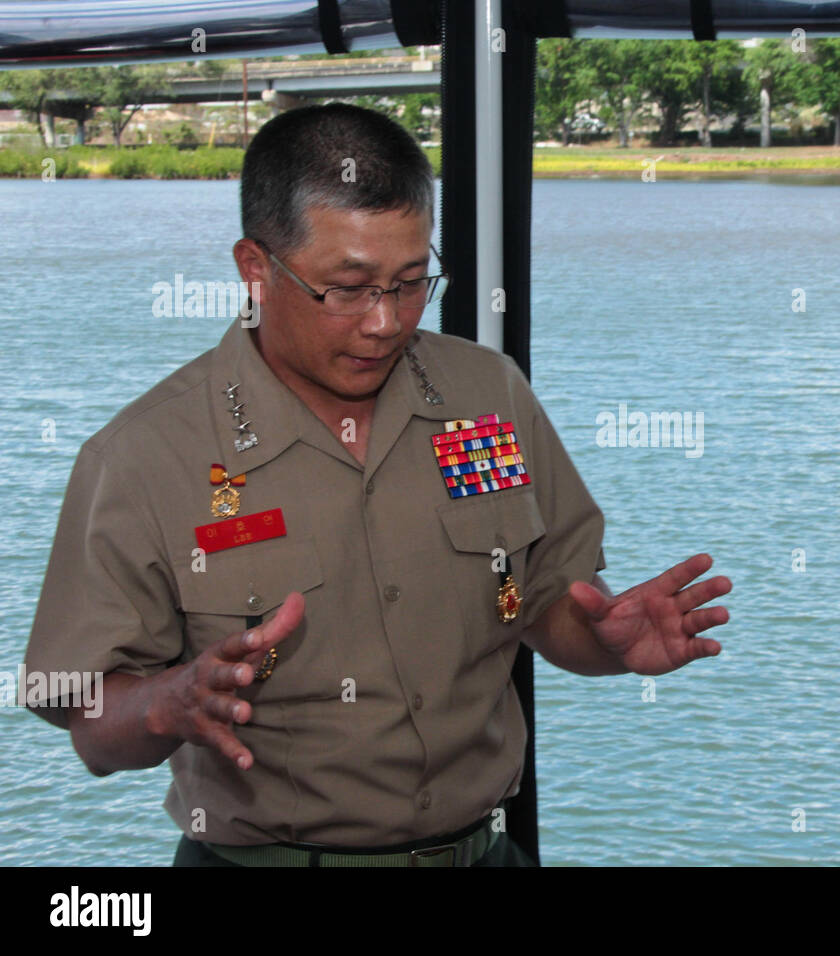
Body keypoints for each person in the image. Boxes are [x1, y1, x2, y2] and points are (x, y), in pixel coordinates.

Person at [23, 103, 731, 867]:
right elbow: (90, 717)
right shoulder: (145, 455)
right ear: (256, 269)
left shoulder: (483, 397)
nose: (385, 322)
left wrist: (601, 641)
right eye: (349, 288)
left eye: (411, 281)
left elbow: (546, 603)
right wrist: (167, 705)